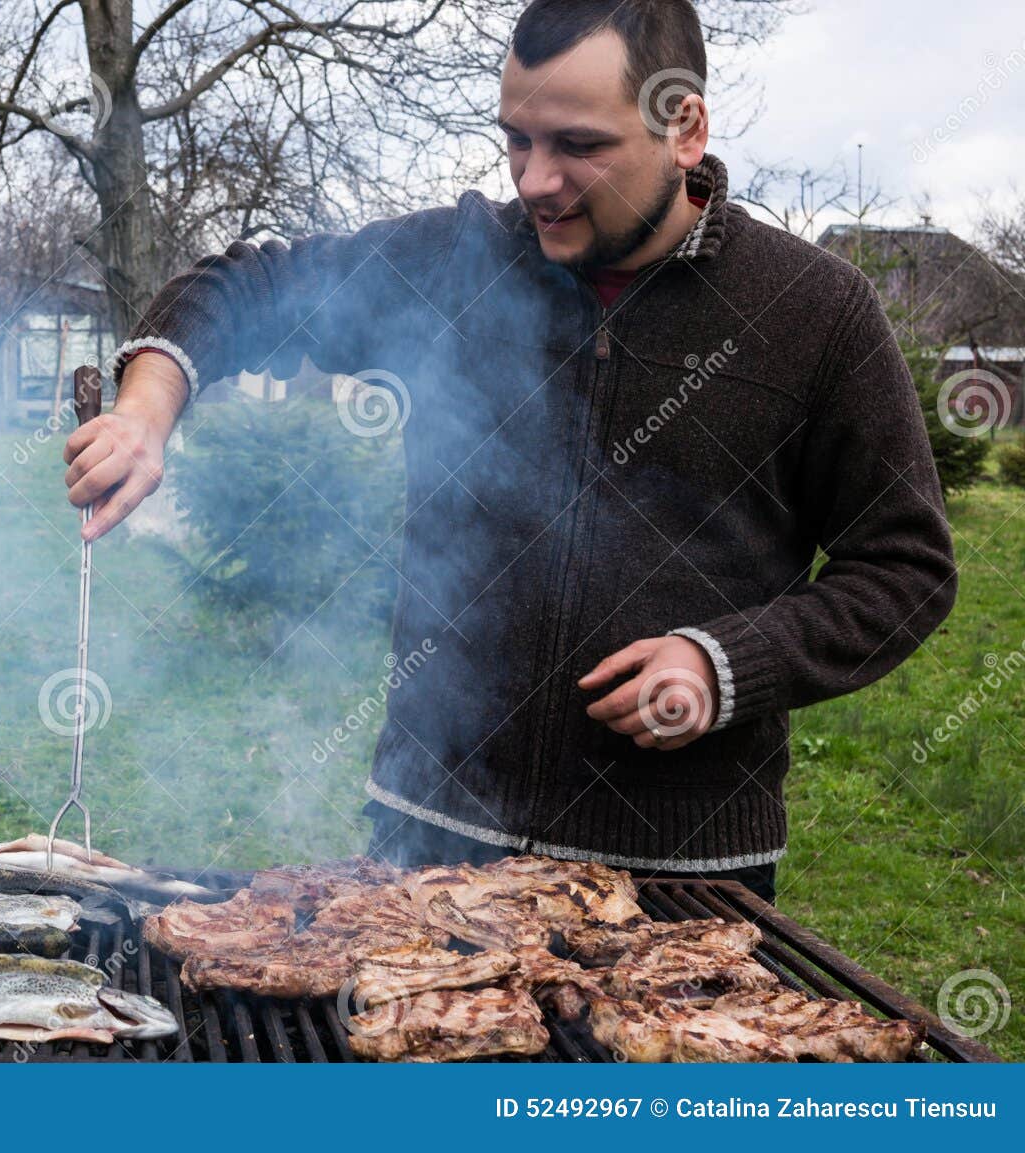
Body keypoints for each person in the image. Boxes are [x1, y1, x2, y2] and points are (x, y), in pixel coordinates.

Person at [61, 0, 956, 903]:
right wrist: (148, 405)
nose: (534, 181)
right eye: (516, 141)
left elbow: (905, 566)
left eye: (577, 145)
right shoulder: (458, 257)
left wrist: (724, 664)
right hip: (430, 845)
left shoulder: (815, 312)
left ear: (684, 127)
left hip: (681, 880)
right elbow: (248, 285)